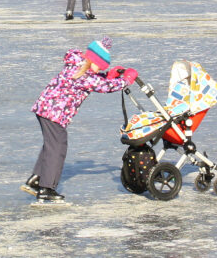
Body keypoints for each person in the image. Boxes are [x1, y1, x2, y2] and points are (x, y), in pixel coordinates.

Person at [24, 37, 136, 202]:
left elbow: (95, 79)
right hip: (53, 114)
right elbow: (103, 86)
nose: (99, 70)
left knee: (51, 145)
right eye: (100, 67)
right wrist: (125, 80)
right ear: (94, 61)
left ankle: (36, 179)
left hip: (45, 110)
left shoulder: (76, 66)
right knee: (58, 147)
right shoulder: (84, 77)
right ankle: (46, 187)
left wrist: (108, 75)